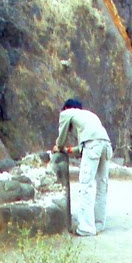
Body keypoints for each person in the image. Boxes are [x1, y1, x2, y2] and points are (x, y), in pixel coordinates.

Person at [52, 98, 113, 236]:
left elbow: (62, 136)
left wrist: (59, 147)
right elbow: (83, 147)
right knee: (102, 186)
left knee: (86, 185)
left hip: (93, 145)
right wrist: (69, 150)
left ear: (66, 108)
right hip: (106, 145)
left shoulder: (66, 113)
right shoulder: (90, 115)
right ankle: (98, 224)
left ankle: (86, 228)